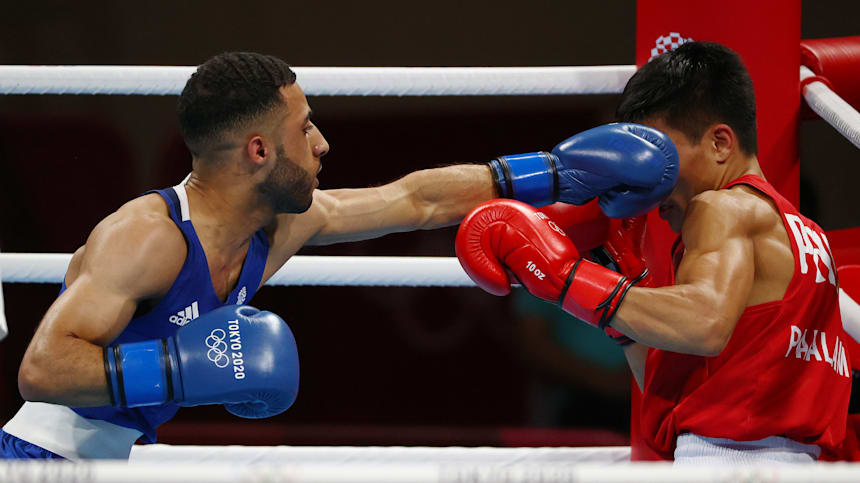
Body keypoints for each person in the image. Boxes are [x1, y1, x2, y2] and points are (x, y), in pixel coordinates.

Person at [0, 52, 675, 460]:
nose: (322, 143)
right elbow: (42, 365)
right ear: (259, 150)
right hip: (42, 456)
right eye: (305, 126)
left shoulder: (281, 226)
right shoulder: (147, 235)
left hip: (124, 456)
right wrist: (179, 368)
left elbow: (413, 200)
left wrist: (552, 173)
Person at [456, 41, 851, 464]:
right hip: (788, 463)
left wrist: (566, 277)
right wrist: (622, 293)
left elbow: (704, 324)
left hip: (728, 465)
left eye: (660, 155)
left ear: (720, 143)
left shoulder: (720, 208)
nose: (647, 179)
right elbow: (682, 391)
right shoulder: (804, 232)